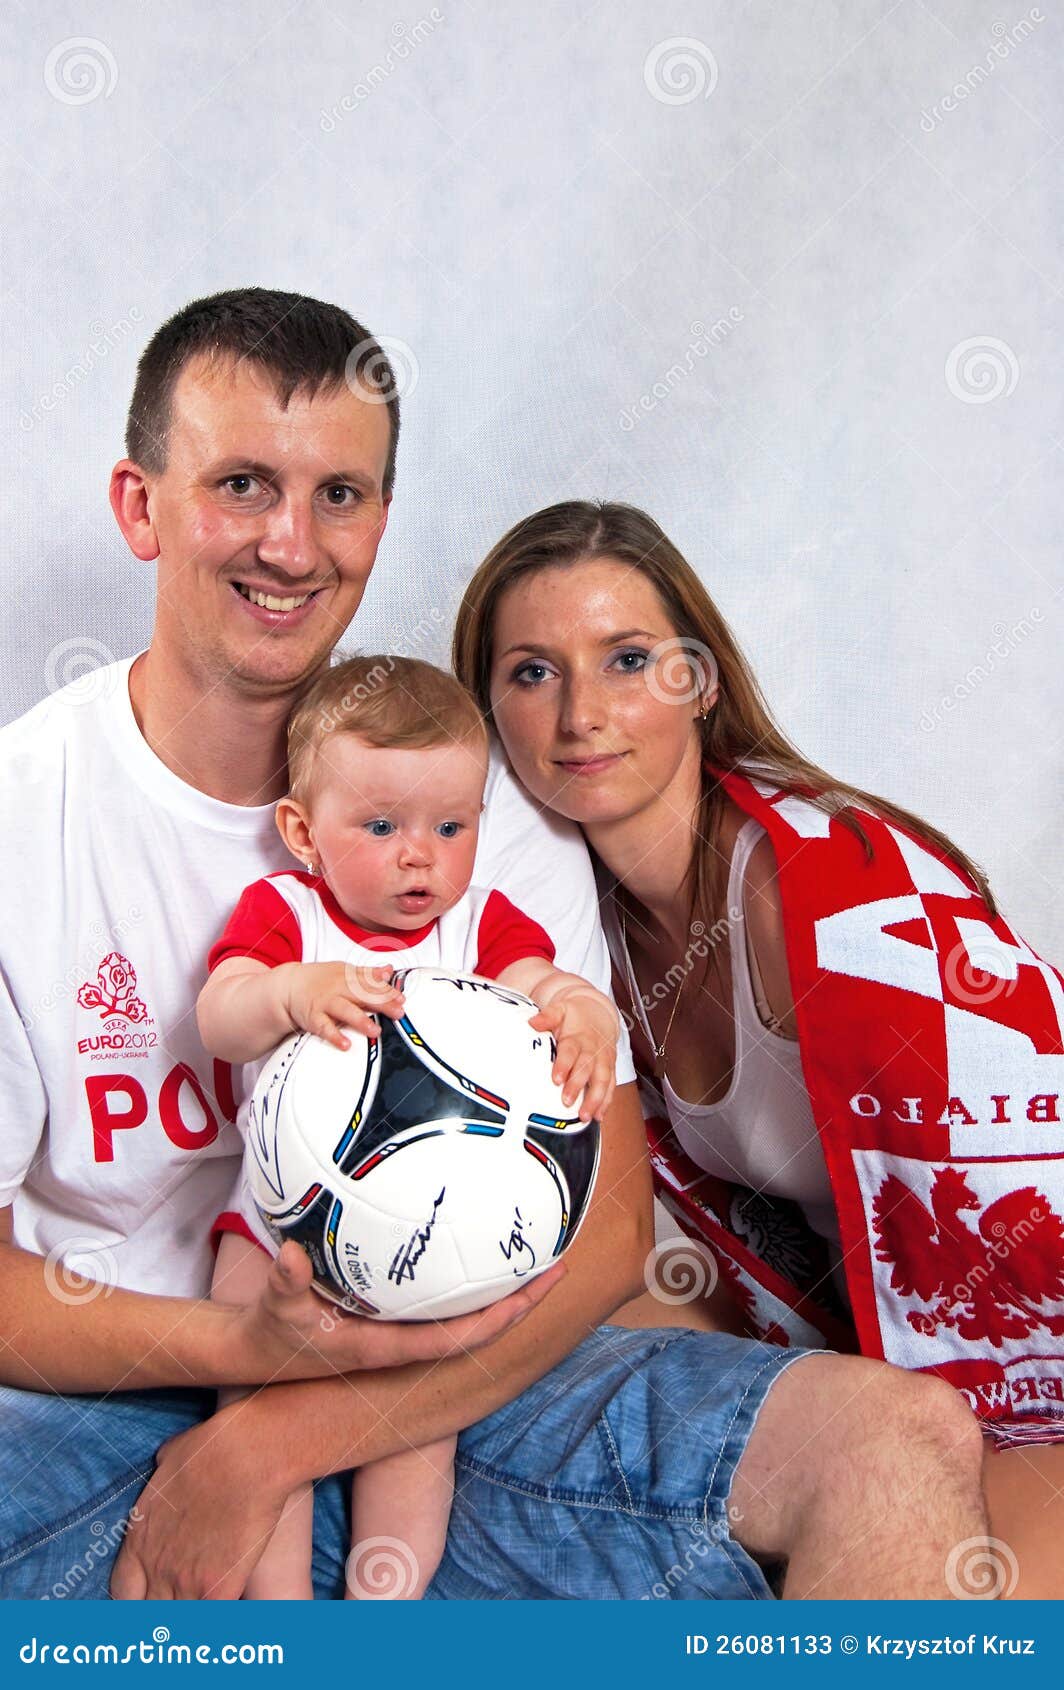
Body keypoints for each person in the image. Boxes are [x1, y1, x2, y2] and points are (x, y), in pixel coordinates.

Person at [0, 290, 987, 1603]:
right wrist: (249, 1353)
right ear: (142, 505)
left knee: (898, 1440)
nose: (291, 543)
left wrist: (291, 1430)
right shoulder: (28, 818)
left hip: (461, 1380)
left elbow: (612, 1216)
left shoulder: (479, 808)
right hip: (115, 1399)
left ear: (380, 522)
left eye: (338, 493)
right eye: (242, 483)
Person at [452, 496, 1064, 1600]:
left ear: (700, 683)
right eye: (532, 673)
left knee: (944, 1602)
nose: (581, 713)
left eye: (626, 659)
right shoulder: (566, 928)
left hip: (1018, 1354)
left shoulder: (833, 904)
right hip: (859, 1351)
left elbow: (1021, 1219)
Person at [199, 653, 619, 1599]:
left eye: (450, 825)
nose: (419, 854)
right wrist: (287, 992)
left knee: (413, 1432)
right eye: (380, 826)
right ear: (303, 832)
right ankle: (279, 1617)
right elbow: (219, 1018)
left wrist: (585, 1009)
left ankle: (384, 1605)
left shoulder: (478, 929)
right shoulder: (287, 917)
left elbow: (538, 987)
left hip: (439, 1248)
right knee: (264, 1411)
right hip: (280, 1232)